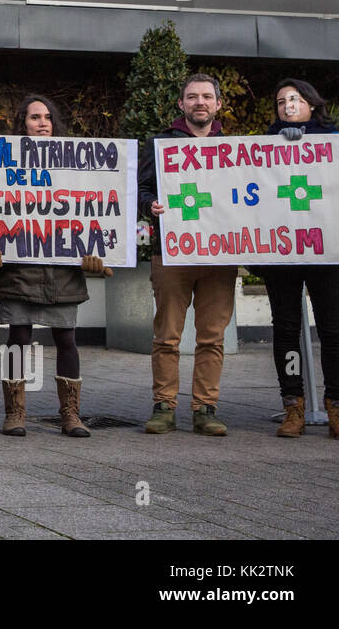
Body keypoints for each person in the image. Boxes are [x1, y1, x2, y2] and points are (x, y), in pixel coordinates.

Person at [0, 95, 110, 438]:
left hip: (62, 271)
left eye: (47, 117)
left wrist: (98, 254)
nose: (42, 123)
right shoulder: (1, 164)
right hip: (19, 269)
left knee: (66, 338)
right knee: (18, 336)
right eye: (34, 117)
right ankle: (15, 412)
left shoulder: (74, 166)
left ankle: (70, 414)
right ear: (23, 123)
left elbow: (92, 209)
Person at [138, 73, 236, 436]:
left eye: (207, 97)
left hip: (220, 257)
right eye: (192, 97)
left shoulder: (236, 151)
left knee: (212, 336)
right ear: (181, 104)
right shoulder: (161, 144)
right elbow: (142, 189)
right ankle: (164, 406)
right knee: (167, 335)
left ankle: (205, 408)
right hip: (172, 252)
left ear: (218, 104)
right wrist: (151, 206)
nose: (200, 102)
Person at [248, 79, 339, 440]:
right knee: (286, 330)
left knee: (333, 331)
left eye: (296, 99)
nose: (288, 106)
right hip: (283, 254)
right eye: (280, 101)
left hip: (327, 252)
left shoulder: (336, 144)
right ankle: (294, 406)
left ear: (312, 104)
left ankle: (338, 406)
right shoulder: (263, 147)